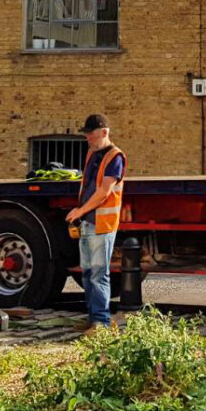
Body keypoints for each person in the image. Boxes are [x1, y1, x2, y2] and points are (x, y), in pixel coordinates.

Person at [65, 113, 126, 334]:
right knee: (88, 272)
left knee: (99, 273)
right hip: (89, 222)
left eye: (90, 134)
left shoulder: (114, 157)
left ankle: (101, 322)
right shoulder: (92, 153)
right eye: (86, 134)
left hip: (102, 224)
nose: (87, 138)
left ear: (104, 132)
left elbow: (103, 192)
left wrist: (80, 210)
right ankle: (93, 319)